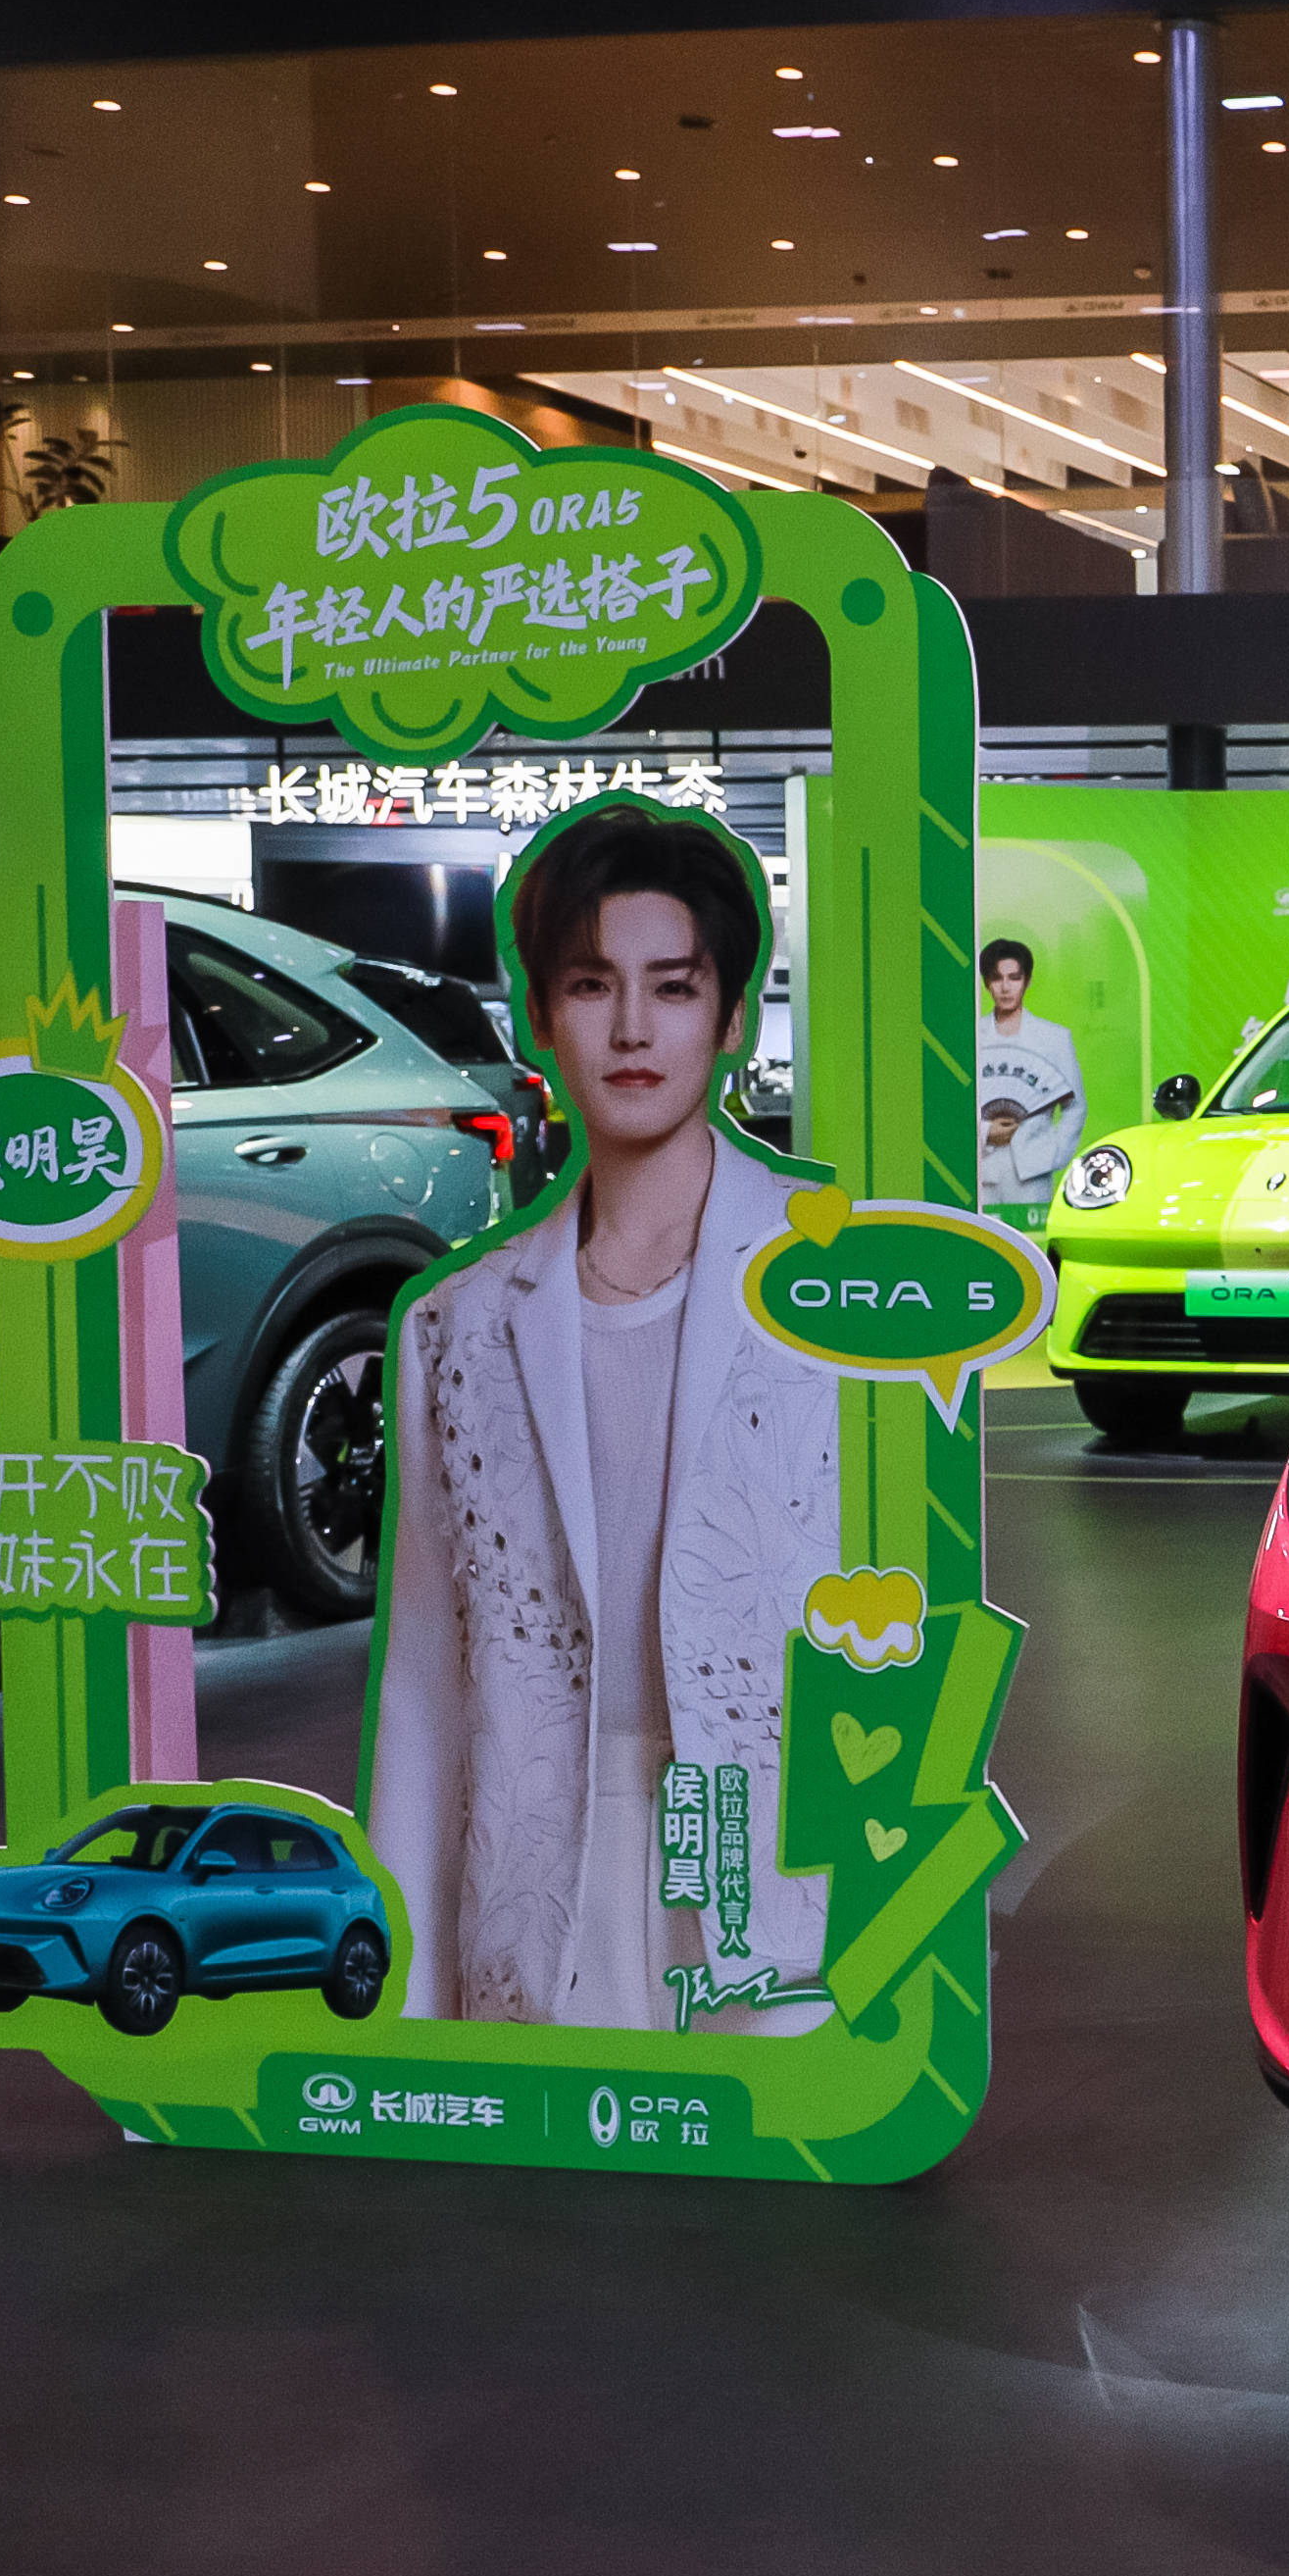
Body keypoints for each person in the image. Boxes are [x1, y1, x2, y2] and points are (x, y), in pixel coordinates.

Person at [369, 798, 839, 2034]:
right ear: (539, 1014)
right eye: (592, 984)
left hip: (778, 1886)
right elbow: (423, 1688)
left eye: (673, 987)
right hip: (535, 1897)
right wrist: (407, 2011)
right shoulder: (459, 1325)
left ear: (730, 1018)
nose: (633, 1028)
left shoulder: (830, 1288)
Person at [972, 935, 1081, 1213]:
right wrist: (985, 1132)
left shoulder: (1055, 1038)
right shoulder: (971, 1038)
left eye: (1014, 977)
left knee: (1031, 1239)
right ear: (986, 983)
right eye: (997, 978)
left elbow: (1075, 1106)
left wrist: (1054, 1154)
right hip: (982, 1170)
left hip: (1033, 1172)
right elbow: (953, 1105)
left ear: (1027, 981)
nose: (1005, 987)